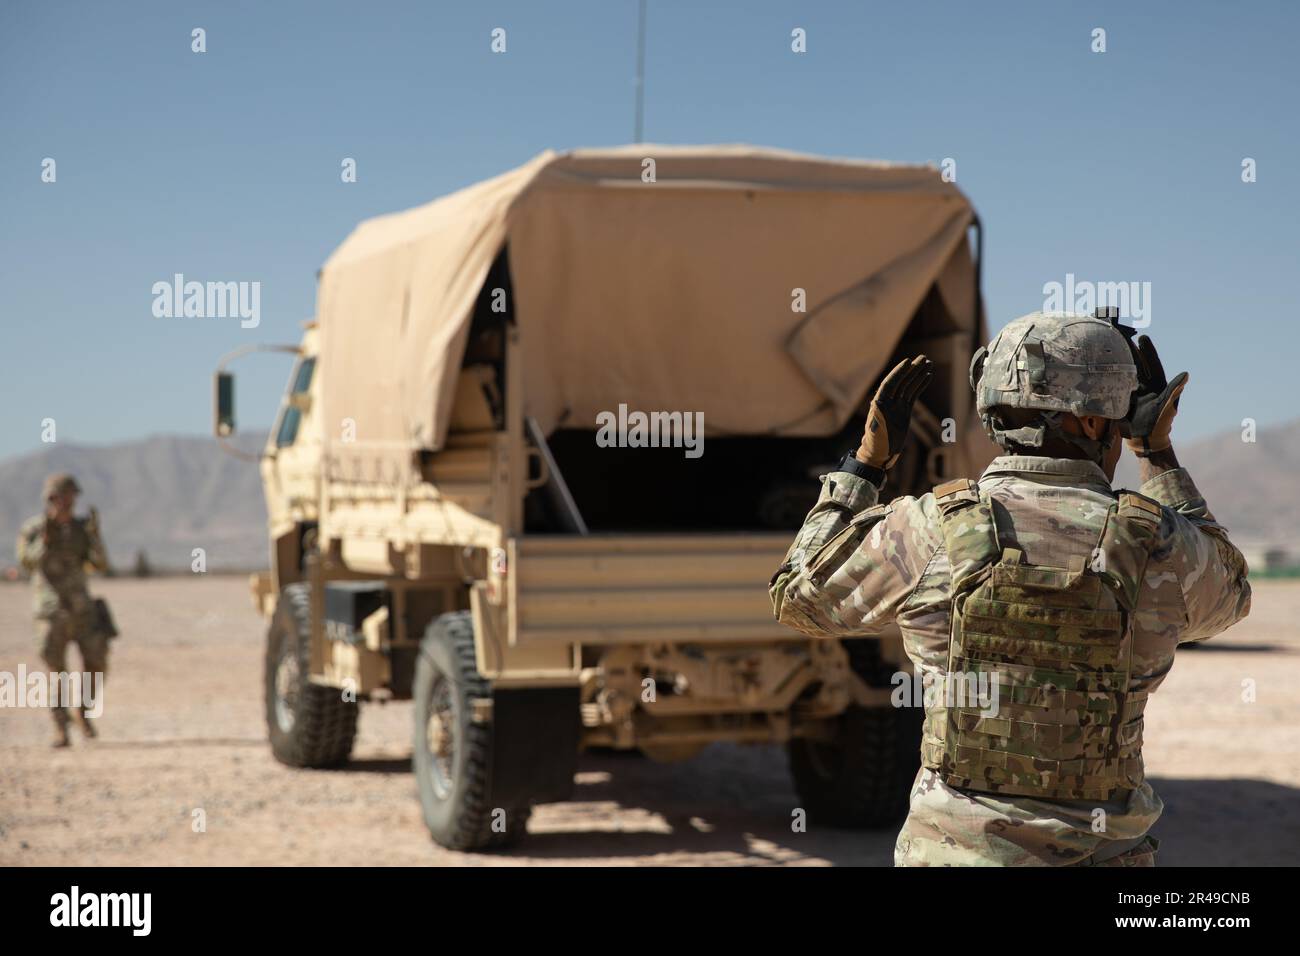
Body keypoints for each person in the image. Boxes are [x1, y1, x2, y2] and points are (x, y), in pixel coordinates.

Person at [769, 312, 1252, 866]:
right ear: (1095, 426)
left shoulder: (928, 527)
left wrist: (865, 466)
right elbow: (1232, 594)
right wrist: (1157, 454)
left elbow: (798, 598)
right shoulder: (1158, 540)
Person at [15, 473, 111, 748]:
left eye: (71, 497)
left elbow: (101, 565)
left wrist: (95, 537)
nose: (68, 502)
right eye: (62, 497)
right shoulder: (34, 529)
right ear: (51, 499)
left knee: (97, 664)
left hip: (82, 609)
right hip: (50, 611)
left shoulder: (82, 529)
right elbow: (27, 562)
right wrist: (46, 539)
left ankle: (83, 711)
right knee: (57, 673)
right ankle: (61, 729)